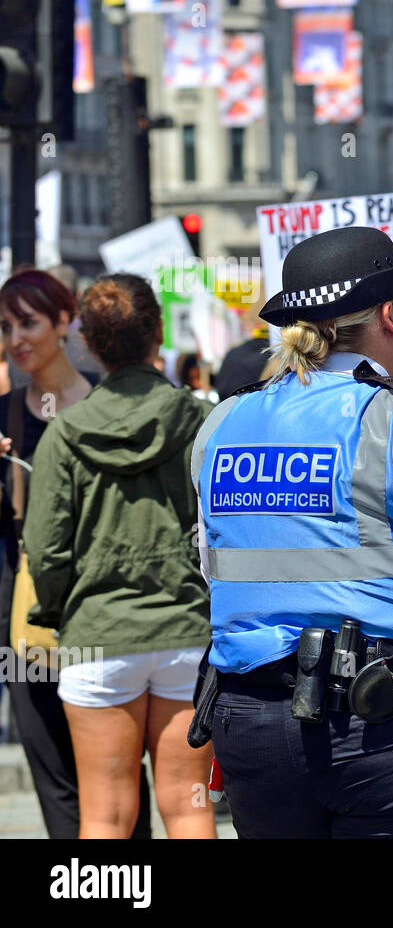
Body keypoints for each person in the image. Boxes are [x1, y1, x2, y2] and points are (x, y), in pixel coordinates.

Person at [190, 226, 393, 838]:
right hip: (387, 721)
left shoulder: (223, 421)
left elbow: (215, 562)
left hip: (252, 725)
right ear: (390, 315)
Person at [24, 274, 216, 838]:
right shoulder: (201, 419)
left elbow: (47, 551)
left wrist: (62, 613)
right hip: (186, 629)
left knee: (104, 815)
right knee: (189, 807)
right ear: (158, 332)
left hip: (99, 634)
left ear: (86, 342)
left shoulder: (64, 433)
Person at [0, 269, 156, 840]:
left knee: (117, 775)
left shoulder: (108, 400)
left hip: (109, 614)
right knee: (58, 783)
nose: (16, 338)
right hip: (29, 621)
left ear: (66, 323)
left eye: (29, 322)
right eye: (5, 326)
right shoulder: (7, 414)